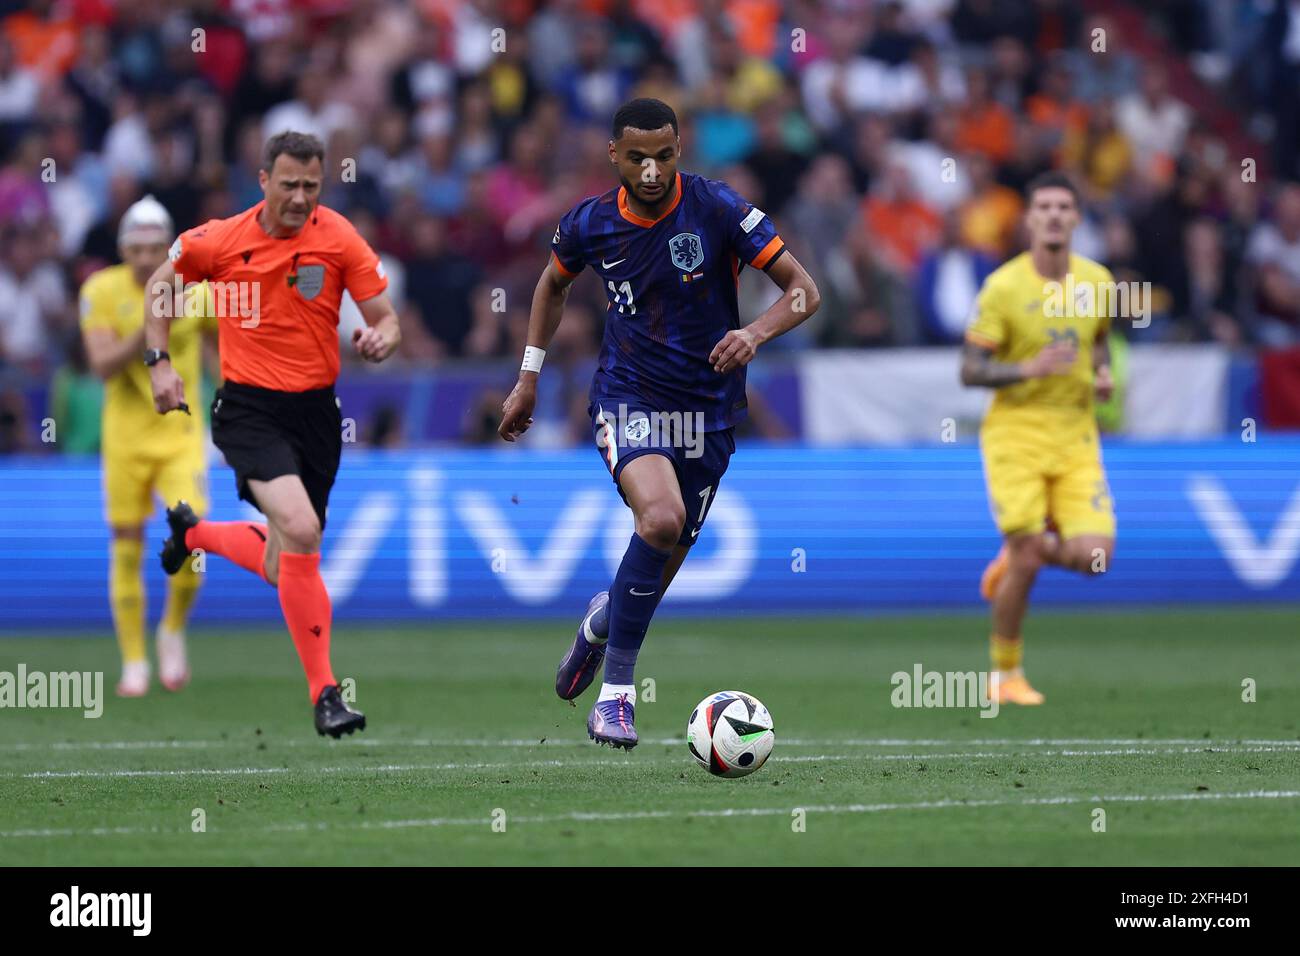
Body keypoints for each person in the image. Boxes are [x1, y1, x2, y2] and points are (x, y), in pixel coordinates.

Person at [498, 98, 820, 749]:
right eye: (637, 157)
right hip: (630, 398)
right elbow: (551, 286)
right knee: (661, 518)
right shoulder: (589, 224)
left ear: (680, 151)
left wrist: (755, 333)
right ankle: (616, 699)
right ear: (614, 155)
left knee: (652, 573)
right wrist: (529, 375)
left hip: (709, 413)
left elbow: (803, 290)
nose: (651, 170)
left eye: (664, 155)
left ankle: (599, 625)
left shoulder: (719, 209)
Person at [144, 131, 401, 737]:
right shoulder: (219, 240)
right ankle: (326, 695)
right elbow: (161, 285)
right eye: (289, 184)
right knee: (304, 532)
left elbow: (387, 322)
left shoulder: (338, 237)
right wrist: (159, 362)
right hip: (248, 409)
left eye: (311, 186)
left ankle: (195, 533)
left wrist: (379, 341)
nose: (300, 197)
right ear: (263, 181)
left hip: (315, 416)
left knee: (282, 561)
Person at [961, 171, 1118, 705]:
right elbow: (970, 370)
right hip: (1016, 435)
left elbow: (1099, 343)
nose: (1053, 215)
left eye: (1063, 207)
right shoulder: (1004, 287)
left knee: (1096, 557)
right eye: (1044, 207)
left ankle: (1014, 556)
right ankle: (1005, 675)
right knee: (1029, 552)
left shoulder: (1098, 281)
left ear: (1076, 218)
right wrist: (1028, 369)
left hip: (1076, 437)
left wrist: (1103, 374)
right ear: (1029, 219)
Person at [79, 195, 213, 696]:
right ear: (122, 250)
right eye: (136, 248)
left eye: (156, 248)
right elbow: (102, 365)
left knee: (193, 538)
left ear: (170, 247)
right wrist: (150, 323)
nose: (145, 258)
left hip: (180, 436)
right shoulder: (100, 289)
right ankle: (134, 661)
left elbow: (224, 355)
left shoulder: (198, 293)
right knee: (128, 549)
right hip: (125, 440)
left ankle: (172, 628)